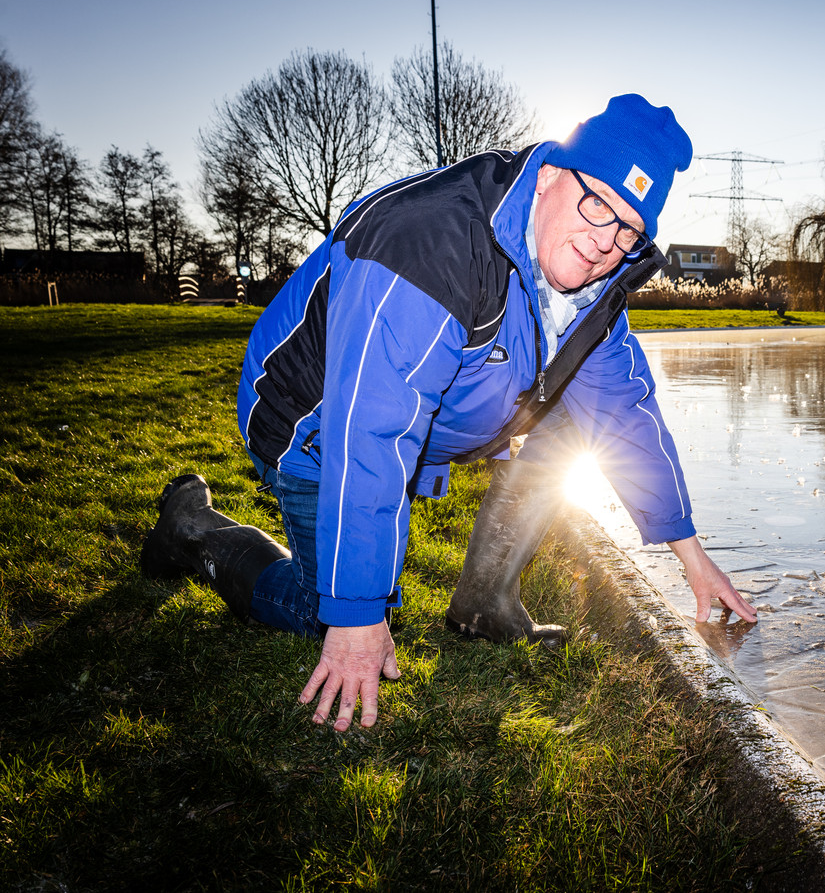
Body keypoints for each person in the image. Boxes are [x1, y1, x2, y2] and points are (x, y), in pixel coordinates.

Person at [141, 94, 757, 733]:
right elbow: (371, 430)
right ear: (547, 176)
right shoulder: (430, 242)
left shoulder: (596, 282)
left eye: (629, 229)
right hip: (313, 416)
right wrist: (354, 616)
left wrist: (691, 553)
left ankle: (486, 601)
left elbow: (625, 414)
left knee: (576, 422)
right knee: (335, 608)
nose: (606, 242)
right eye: (597, 202)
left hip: (420, 414)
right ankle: (192, 532)